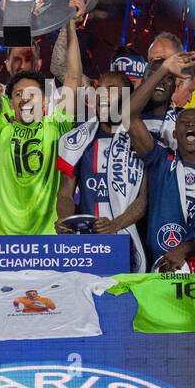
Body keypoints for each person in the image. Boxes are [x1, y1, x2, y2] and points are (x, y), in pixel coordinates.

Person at [0, 0, 85, 235]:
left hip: (47, 238)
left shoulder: (57, 127)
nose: (25, 99)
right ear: (9, 100)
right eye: (18, 95)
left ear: (45, 100)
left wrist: (70, 24)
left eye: (32, 94)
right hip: (2, 241)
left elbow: (73, 78)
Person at [127, 52, 195, 273]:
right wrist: (164, 70)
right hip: (162, 269)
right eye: (183, 122)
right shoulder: (159, 161)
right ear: (175, 133)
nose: (189, 125)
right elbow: (128, 115)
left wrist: (187, 247)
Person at [55, 70, 148, 271]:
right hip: (88, 246)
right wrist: (65, 220)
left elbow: (145, 199)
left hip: (130, 244)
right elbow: (65, 194)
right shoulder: (78, 139)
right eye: (99, 91)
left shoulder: (143, 140)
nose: (103, 96)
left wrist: (116, 224)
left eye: (112, 90)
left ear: (129, 98)